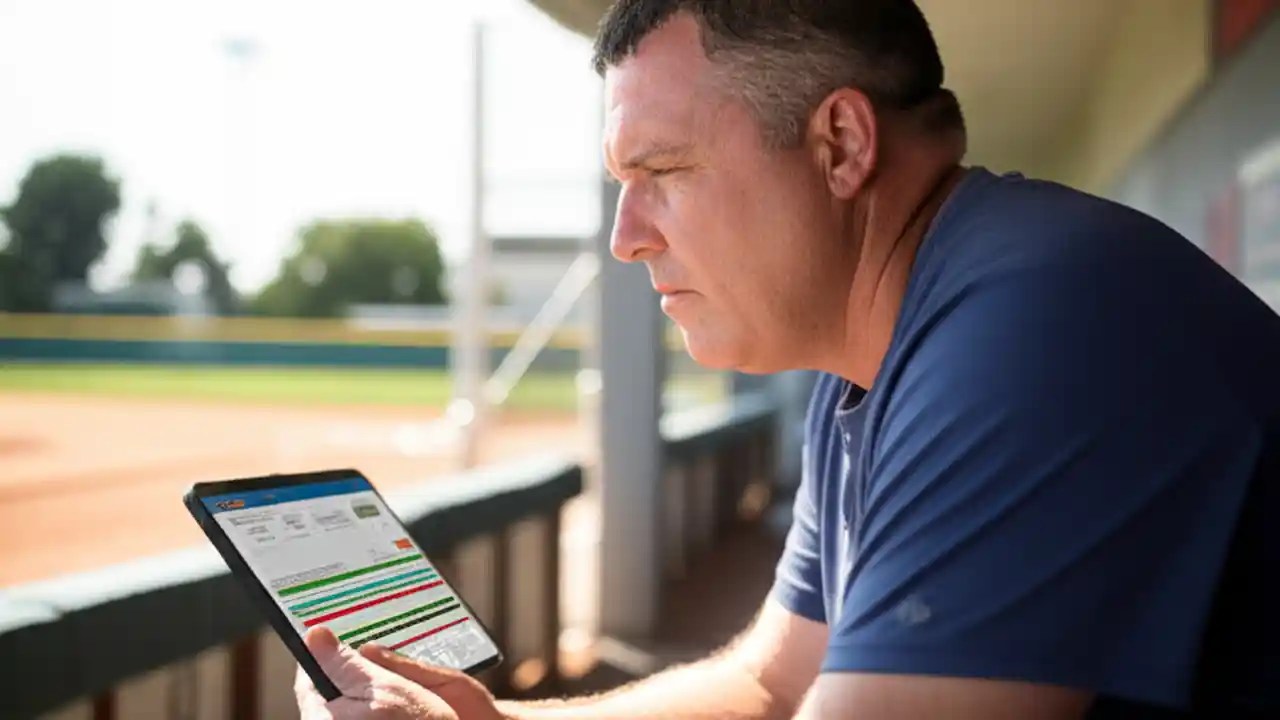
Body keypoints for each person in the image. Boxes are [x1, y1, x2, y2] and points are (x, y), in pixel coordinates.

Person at [296, 1, 1279, 717]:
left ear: (841, 144)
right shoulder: (879, 345)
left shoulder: (1033, 322)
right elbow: (773, 679)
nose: (625, 237)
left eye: (663, 173)